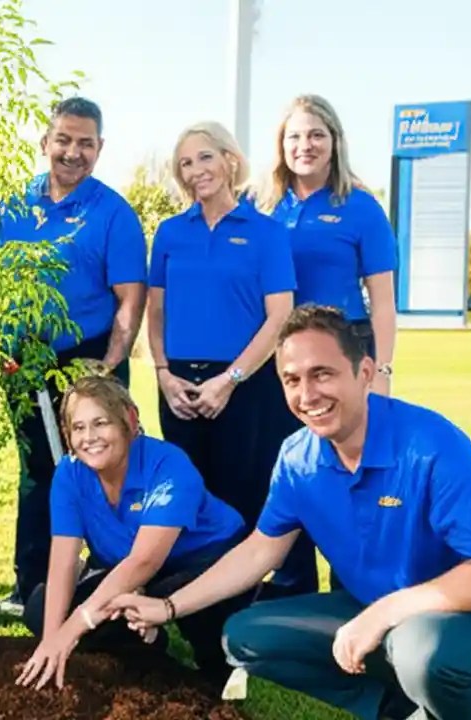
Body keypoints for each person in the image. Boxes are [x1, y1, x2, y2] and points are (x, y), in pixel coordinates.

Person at [109, 305, 471, 720]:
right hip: (392, 616)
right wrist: (167, 607)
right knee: (248, 635)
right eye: (292, 379)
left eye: (322, 374)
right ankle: (401, 712)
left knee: (419, 652)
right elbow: (258, 553)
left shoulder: (430, 446)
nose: (307, 394)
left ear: (365, 372)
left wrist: (387, 611)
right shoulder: (298, 458)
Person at [0, 96, 149, 617]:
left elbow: (130, 300)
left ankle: (114, 580)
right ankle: (30, 585)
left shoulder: (113, 214)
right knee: (38, 470)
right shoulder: (11, 209)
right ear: (46, 143)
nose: (73, 152)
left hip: (89, 358)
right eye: (64, 140)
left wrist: (107, 366)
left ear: (100, 148)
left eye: (86, 143)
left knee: (104, 467)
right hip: (22, 359)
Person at [251, 94, 401, 597]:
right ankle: (291, 585)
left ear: (335, 141)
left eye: (316, 134)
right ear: (281, 145)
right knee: (287, 469)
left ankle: (352, 586)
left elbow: (382, 301)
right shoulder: (262, 205)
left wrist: (380, 371)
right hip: (282, 354)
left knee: (347, 471)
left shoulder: (360, 207)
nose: (305, 145)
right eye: (294, 136)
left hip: (344, 348)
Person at [16, 376, 251, 694]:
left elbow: (144, 561)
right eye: (78, 427)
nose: (90, 438)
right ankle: (148, 646)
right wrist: (51, 639)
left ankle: (216, 666)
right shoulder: (70, 473)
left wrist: (73, 629)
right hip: (132, 571)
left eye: (101, 423)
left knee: (193, 619)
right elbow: (63, 560)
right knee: (41, 609)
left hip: (203, 560)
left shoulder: (168, 465)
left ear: (130, 419)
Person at [146, 121, 305, 591]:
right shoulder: (170, 233)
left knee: (243, 497)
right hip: (178, 384)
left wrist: (229, 380)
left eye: (205, 157)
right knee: (188, 496)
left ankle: (241, 598)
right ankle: (191, 595)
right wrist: (163, 374)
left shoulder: (266, 233)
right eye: (185, 164)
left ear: (230, 159)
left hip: (246, 385)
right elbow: (156, 312)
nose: (196, 171)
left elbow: (280, 317)